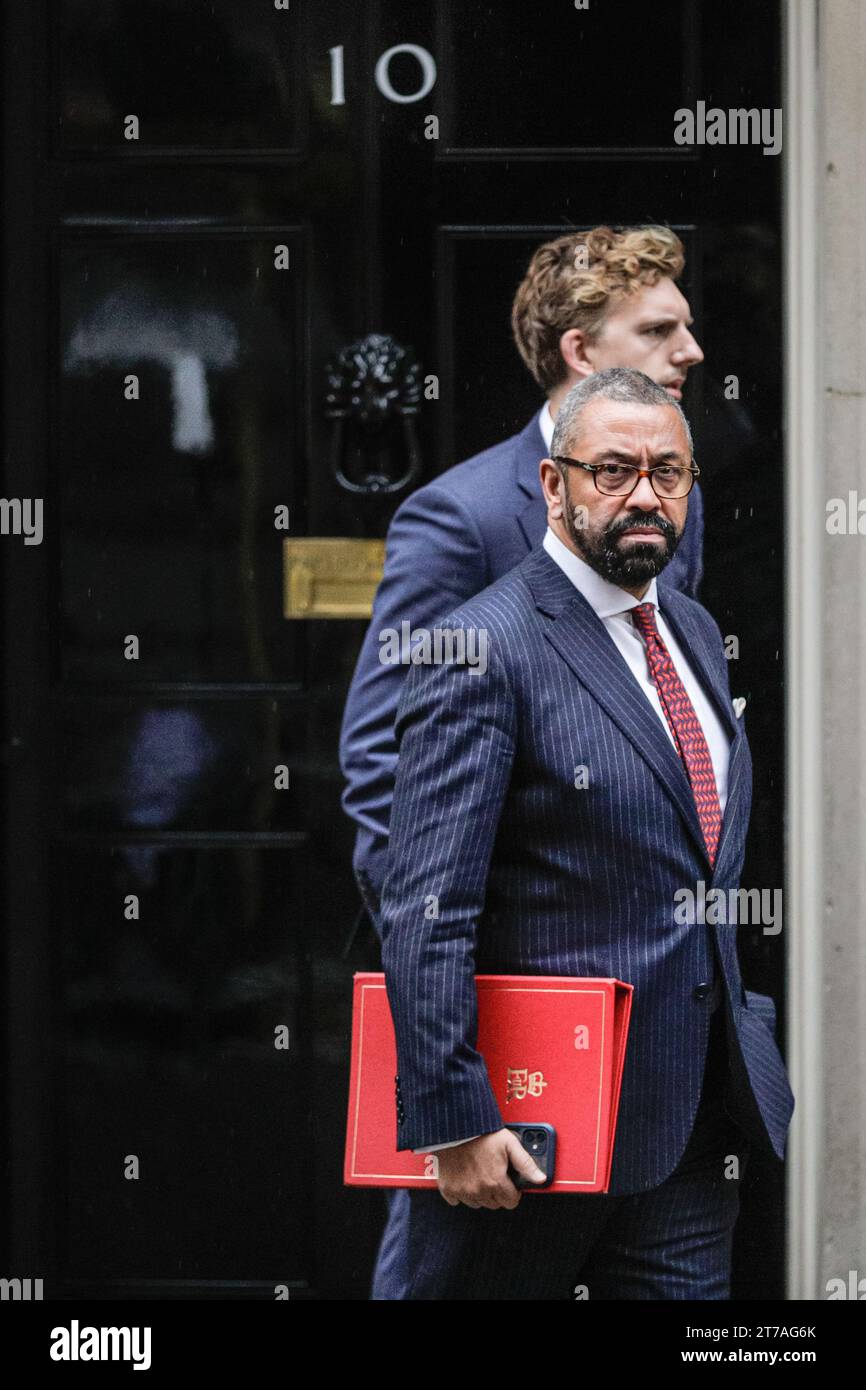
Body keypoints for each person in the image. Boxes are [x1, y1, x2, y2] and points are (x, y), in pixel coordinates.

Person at [372, 368, 794, 1300]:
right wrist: (453, 1118)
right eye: (613, 470)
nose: (645, 494)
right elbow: (426, 904)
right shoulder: (483, 648)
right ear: (554, 485)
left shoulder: (688, 624)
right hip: (530, 1138)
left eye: (668, 472)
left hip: (691, 1123)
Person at [340, 226, 706, 936]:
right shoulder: (460, 517)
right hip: (512, 961)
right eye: (659, 330)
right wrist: (438, 966)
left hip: (657, 958)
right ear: (580, 351)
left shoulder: (676, 497)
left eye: (686, 328)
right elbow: (380, 755)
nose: (691, 350)